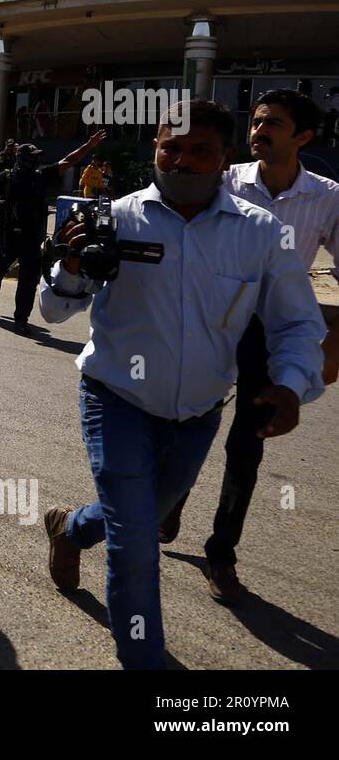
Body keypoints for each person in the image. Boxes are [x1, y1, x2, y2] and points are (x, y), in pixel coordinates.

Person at [38, 100, 325, 670]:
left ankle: (70, 528)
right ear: (155, 149)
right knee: (138, 541)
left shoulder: (262, 233)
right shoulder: (114, 218)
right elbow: (52, 309)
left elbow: (297, 321)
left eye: (201, 152)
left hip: (198, 413)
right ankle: (146, 661)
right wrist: (71, 266)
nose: (184, 162)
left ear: (226, 159)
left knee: (142, 516)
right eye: (172, 148)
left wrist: (291, 385)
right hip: (115, 398)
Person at [160, 89, 339, 604]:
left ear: (303, 136)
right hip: (212, 322)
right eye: (257, 121)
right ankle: (171, 500)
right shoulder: (224, 179)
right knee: (188, 421)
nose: (259, 130)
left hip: (271, 331)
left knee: (246, 447)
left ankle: (221, 553)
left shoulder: (327, 197)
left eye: (273, 124)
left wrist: (334, 343)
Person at [0, 130, 107, 332]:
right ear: (22, 159)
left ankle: (21, 320)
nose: (36, 160)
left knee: (28, 282)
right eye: (33, 157)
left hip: (31, 239)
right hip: (8, 236)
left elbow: (68, 161)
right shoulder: (7, 176)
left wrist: (89, 146)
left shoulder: (41, 176)